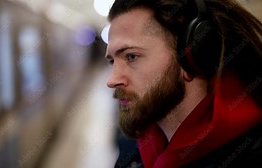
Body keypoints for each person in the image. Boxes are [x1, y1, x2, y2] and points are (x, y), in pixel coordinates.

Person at [105, 0, 262, 167]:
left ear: (190, 56)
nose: (112, 81)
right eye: (112, 61)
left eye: (131, 57)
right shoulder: (134, 154)